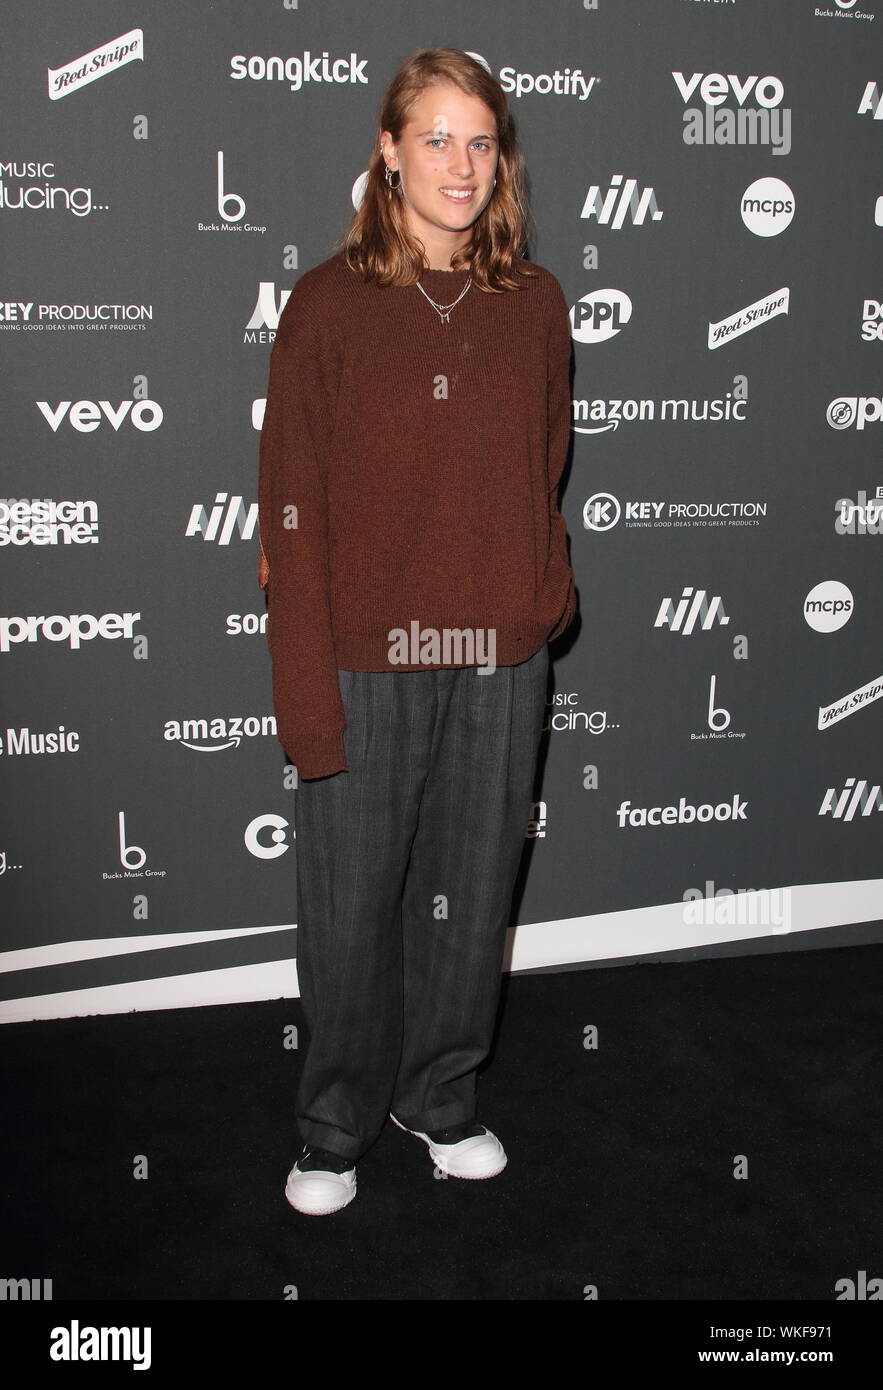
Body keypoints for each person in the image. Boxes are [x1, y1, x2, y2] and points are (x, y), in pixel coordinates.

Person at [257, 47, 577, 1216]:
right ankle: (332, 1127)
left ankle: (439, 1099)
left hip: (498, 659)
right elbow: (289, 506)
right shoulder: (328, 305)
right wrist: (309, 696)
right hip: (365, 658)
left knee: (473, 893)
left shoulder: (533, 306)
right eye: (435, 137)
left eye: (481, 140)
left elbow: (542, 470)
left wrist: (540, 598)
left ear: (504, 160)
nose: (461, 162)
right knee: (349, 911)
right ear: (387, 152)